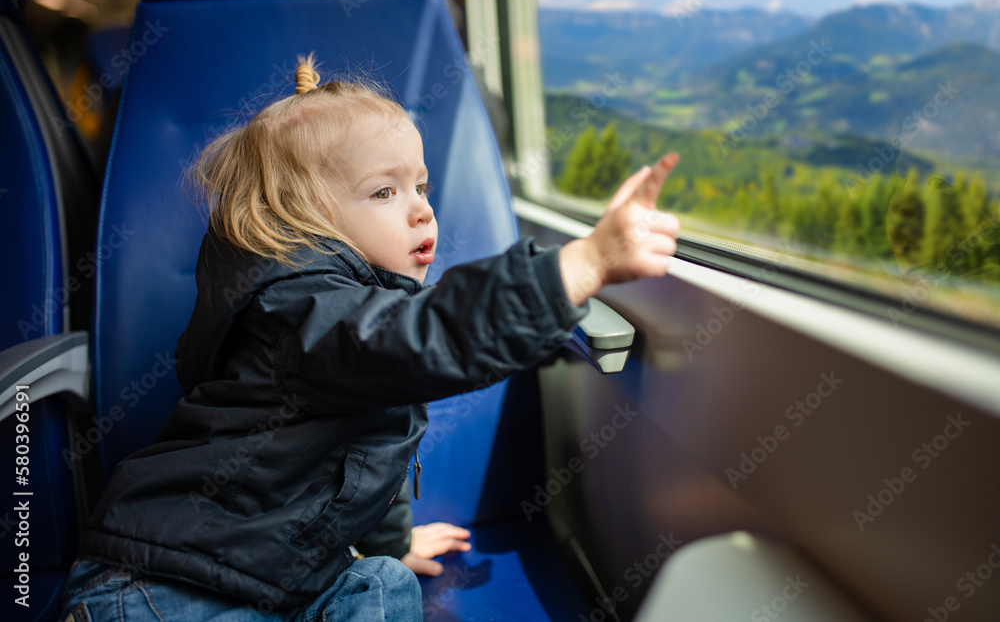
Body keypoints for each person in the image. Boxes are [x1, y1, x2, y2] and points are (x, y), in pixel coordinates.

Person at [60, 55, 681, 622]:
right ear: (304, 220)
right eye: (385, 192)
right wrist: (577, 268)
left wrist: (397, 544)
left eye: (421, 187)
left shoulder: (350, 322)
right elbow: (425, 339)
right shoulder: (302, 313)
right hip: (158, 589)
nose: (421, 210)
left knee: (382, 582)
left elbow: (362, 456)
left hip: (251, 580)